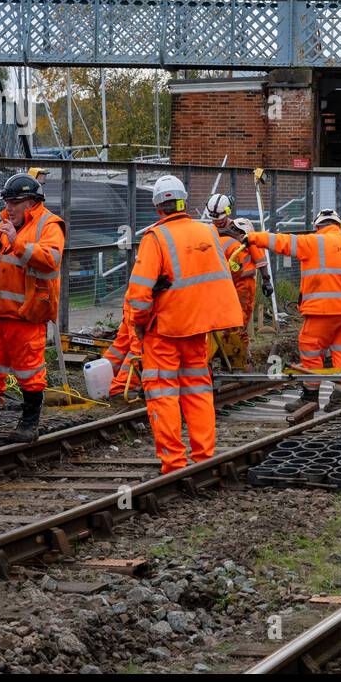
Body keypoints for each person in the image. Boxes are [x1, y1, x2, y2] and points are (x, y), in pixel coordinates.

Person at [123, 175, 241, 474]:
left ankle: (174, 463)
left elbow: (138, 295)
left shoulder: (156, 238)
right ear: (183, 201)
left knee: (162, 393)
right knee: (198, 391)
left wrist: (138, 325)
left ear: (157, 206)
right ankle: (204, 456)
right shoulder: (208, 234)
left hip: (164, 330)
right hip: (197, 330)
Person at [0, 173, 65, 443]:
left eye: (15, 202)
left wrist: (18, 241)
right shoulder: (7, 224)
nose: (9, 207)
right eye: (8, 202)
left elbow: (51, 259)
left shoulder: (49, 225)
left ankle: (29, 422)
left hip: (26, 314)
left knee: (29, 371)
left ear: (32, 202)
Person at [248, 208, 341, 412]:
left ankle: (310, 398)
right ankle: (340, 396)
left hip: (321, 311)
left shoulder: (313, 242)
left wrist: (253, 237)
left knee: (310, 349)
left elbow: (282, 242)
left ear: (317, 227)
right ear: (338, 226)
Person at [219, 216, 274, 367]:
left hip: (229, 284)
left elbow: (259, 260)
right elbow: (259, 261)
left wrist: (266, 279)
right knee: (238, 321)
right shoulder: (237, 244)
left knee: (233, 321)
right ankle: (237, 356)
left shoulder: (222, 240)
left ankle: (235, 354)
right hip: (240, 284)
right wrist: (266, 280)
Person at [101, 317, 139, 398]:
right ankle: (122, 388)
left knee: (122, 344)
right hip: (140, 314)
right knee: (138, 349)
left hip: (131, 312)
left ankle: (100, 376)